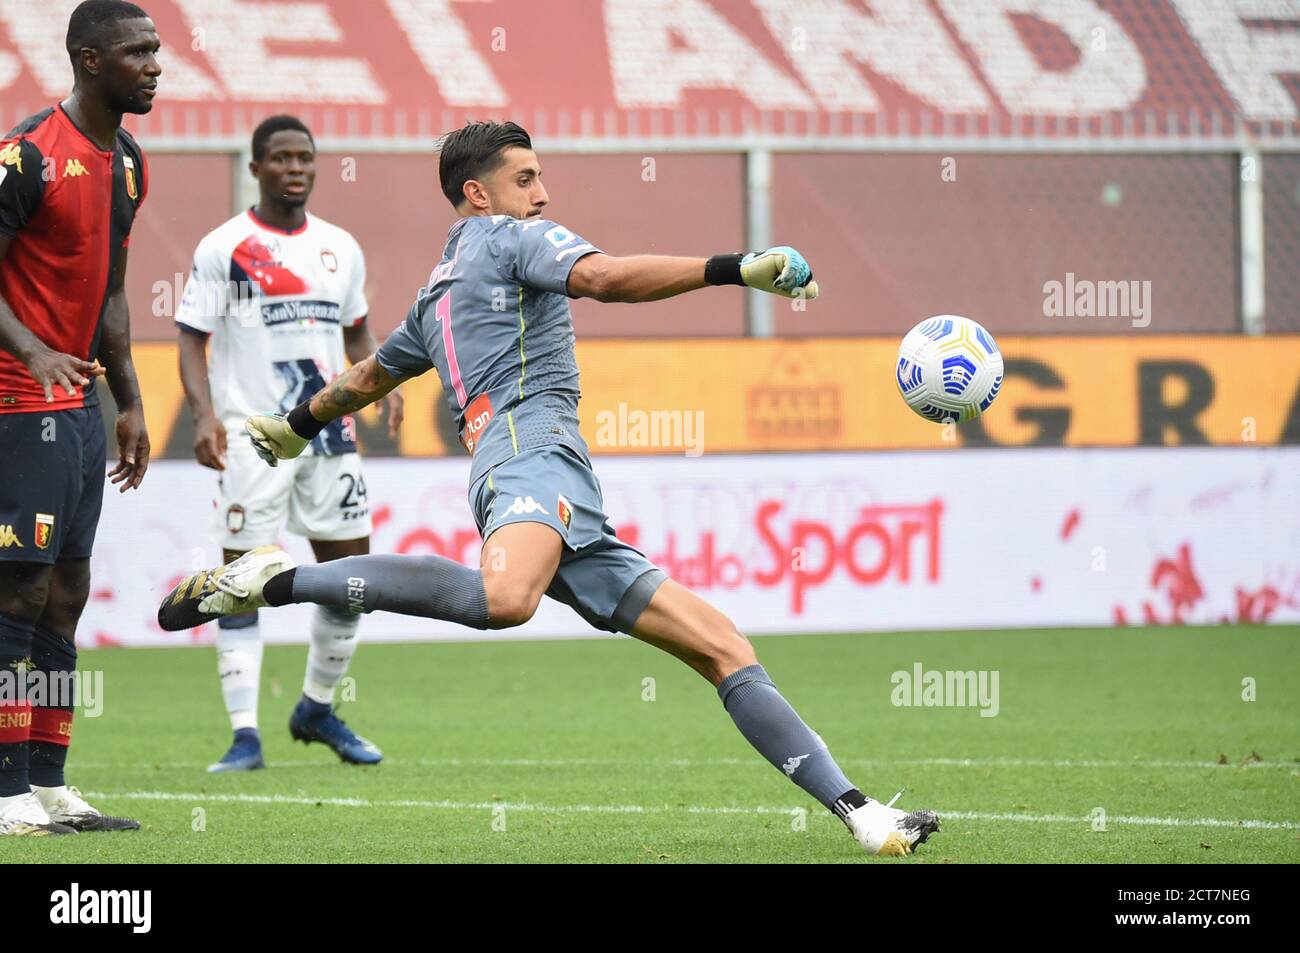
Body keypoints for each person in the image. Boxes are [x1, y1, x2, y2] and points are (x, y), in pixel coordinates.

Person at [160, 121, 940, 856]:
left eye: (540, 179)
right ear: (479, 194)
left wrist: (296, 424)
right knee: (507, 600)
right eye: (525, 178)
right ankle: (281, 577)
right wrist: (732, 268)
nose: (542, 194)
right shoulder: (515, 237)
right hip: (530, 451)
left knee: (721, 645)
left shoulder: (435, 295)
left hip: (552, 484)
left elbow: (367, 376)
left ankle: (864, 813)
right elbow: (601, 278)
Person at [176, 115, 402, 772]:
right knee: (241, 582)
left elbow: (356, 332)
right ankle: (245, 734)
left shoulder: (341, 247)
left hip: (331, 434)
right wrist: (203, 414)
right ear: (257, 168)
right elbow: (192, 336)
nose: (295, 167)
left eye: (305, 156)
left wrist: (383, 380)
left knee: (351, 580)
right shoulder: (225, 247)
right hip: (253, 438)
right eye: (281, 157)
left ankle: (316, 707)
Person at [0, 0, 159, 836]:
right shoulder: (27, 154)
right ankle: (1, 793)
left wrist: (127, 400)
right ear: (91, 61)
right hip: (18, 403)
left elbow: (115, 292)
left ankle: (49, 781)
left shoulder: (127, 160)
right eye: (138, 52)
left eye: (157, 49)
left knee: (65, 593)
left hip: (80, 403)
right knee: (17, 590)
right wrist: (32, 352)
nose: (156, 64)